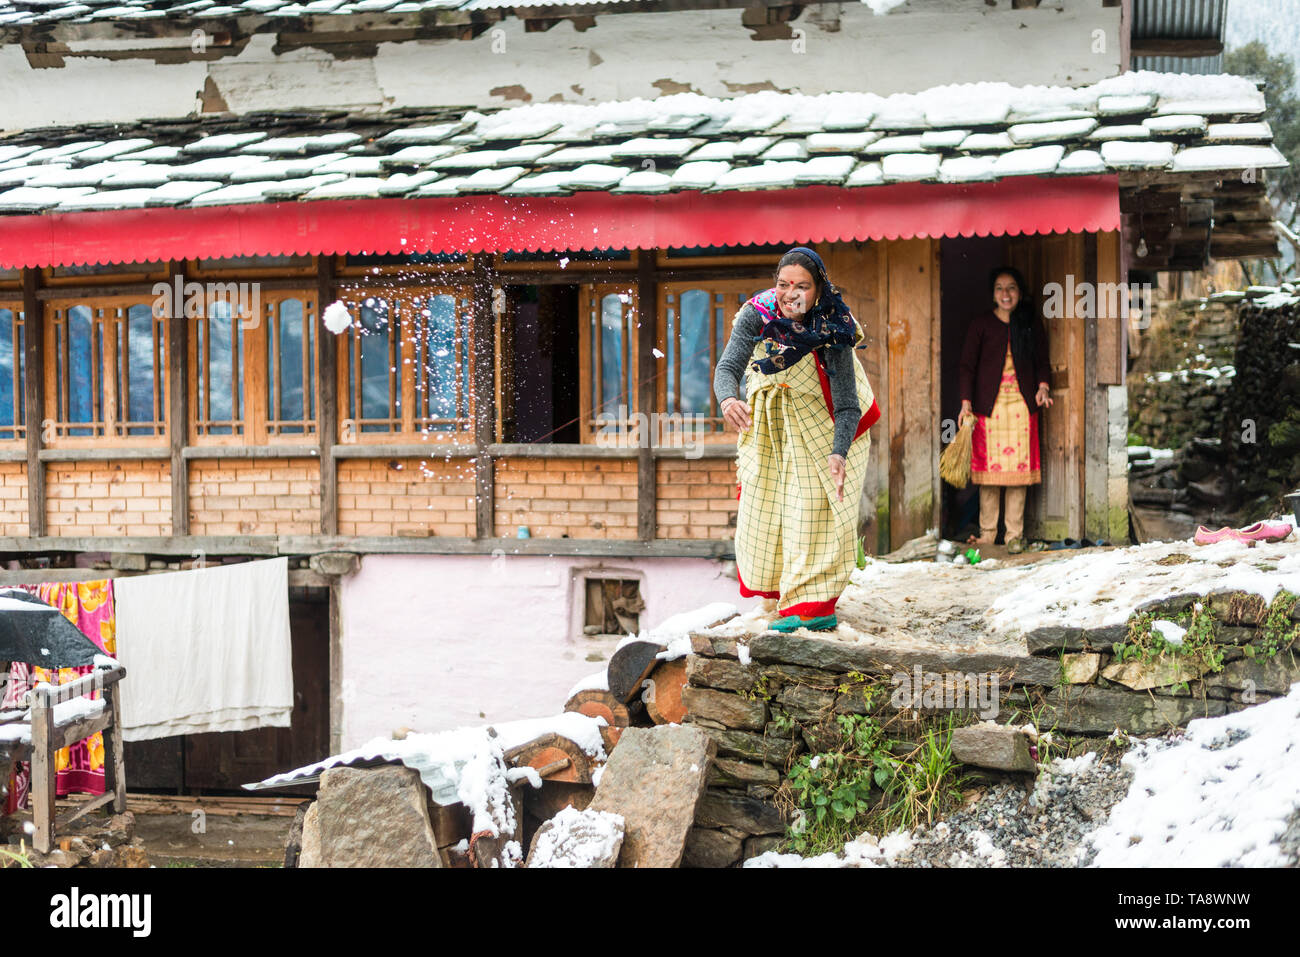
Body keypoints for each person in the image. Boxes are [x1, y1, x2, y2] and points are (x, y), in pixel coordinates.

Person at [713, 247, 878, 634]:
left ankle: (812, 608)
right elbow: (728, 367)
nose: (792, 294)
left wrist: (838, 452)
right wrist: (728, 398)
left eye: (802, 286)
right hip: (774, 424)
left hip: (828, 423)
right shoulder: (758, 313)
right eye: (784, 284)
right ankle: (782, 597)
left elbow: (847, 404)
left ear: (818, 289)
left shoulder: (833, 324)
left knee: (811, 509)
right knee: (767, 508)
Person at [957, 265, 1052, 553]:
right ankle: (987, 535)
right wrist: (966, 403)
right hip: (990, 409)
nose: (1005, 294)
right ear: (993, 294)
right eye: (999, 288)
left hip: (1021, 407)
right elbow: (967, 367)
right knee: (990, 475)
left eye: (1011, 287)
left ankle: (1013, 536)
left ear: (1019, 292)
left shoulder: (1029, 323)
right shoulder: (981, 325)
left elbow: (1042, 361)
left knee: (1017, 474)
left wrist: (1043, 386)